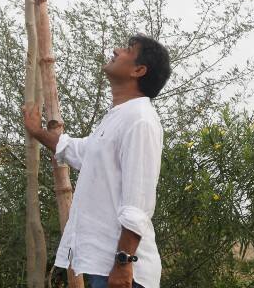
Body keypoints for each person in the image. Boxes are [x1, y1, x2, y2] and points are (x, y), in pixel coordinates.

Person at [22, 34, 171, 288]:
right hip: (106, 265)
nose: (116, 50)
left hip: (124, 272)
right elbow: (81, 151)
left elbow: (138, 201)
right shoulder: (118, 117)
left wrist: (123, 264)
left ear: (139, 70)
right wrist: (37, 132)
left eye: (127, 49)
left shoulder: (141, 120)